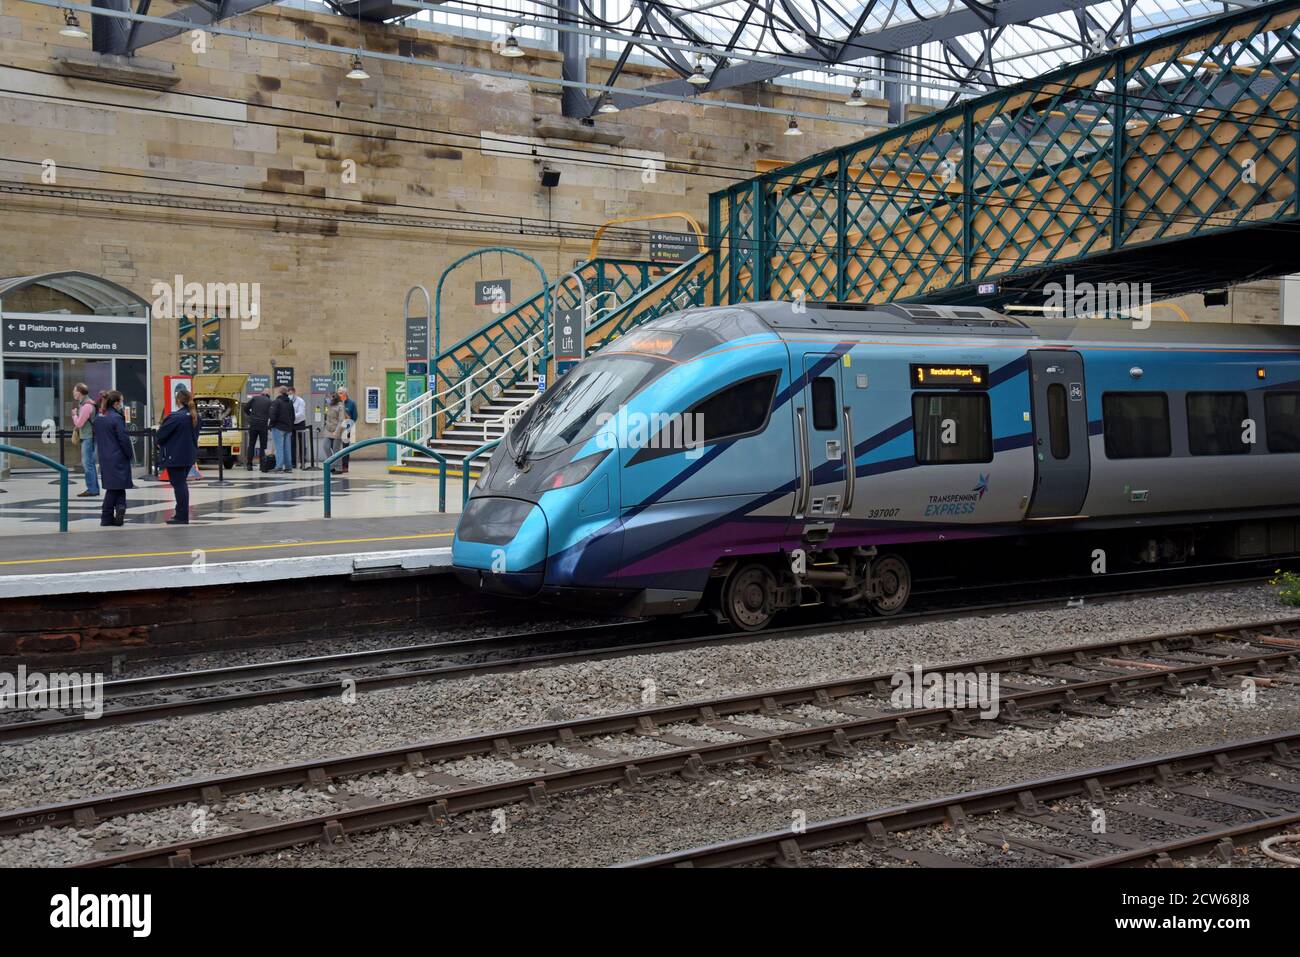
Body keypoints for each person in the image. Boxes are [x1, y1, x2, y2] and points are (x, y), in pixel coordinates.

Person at [156, 387, 202, 525]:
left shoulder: (175, 417)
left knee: (179, 485)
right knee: (181, 483)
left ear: (178, 401)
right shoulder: (195, 417)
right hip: (189, 455)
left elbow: (161, 435)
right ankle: (181, 514)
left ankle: (181, 515)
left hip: (175, 456)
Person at [92, 390, 133, 526]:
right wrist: (129, 454)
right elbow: (124, 439)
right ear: (116, 403)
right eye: (121, 401)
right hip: (118, 456)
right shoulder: (116, 418)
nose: (122, 404)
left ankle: (113, 512)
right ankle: (111, 513)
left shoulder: (99, 417)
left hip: (105, 456)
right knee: (115, 487)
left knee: (115, 486)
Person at [70, 383, 99, 498]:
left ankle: (92, 489)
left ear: (80, 392)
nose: (73, 393)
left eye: (74, 391)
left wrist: (74, 415)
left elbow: (79, 423)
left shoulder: (86, 406)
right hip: (90, 436)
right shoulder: (88, 403)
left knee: (87, 464)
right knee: (90, 463)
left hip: (88, 437)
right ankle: (94, 488)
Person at [268, 386, 296, 473]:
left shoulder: (276, 402)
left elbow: (272, 415)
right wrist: (290, 427)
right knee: (287, 448)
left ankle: (279, 466)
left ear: (279, 392)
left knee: (279, 447)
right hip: (288, 428)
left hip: (278, 427)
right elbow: (293, 416)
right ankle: (288, 467)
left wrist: (271, 425)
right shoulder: (290, 402)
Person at [243, 388, 272, 470]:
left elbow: (245, 408)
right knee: (263, 445)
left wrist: (251, 415)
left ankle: (249, 465)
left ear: (262, 393)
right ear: (268, 394)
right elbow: (271, 414)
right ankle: (262, 465)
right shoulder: (269, 401)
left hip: (253, 424)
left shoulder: (254, 398)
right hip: (263, 424)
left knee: (251, 444)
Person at [337, 387, 358, 474]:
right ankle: (337, 465)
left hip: (347, 428)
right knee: (336, 447)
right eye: (338, 392)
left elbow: (355, 416)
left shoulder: (351, 403)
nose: (339, 394)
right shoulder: (336, 403)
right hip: (337, 428)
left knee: (346, 448)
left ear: (345, 394)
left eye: (341, 393)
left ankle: (345, 466)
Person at [323, 392, 343, 473]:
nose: (328, 399)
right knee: (326, 446)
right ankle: (331, 465)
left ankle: (338, 467)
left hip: (336, 429)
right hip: (328, 429)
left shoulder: (340, 406)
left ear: (334, 398)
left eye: (330, 397)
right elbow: (325, 417)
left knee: (336, 449)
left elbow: (341, 420)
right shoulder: (328, 406)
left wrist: (337, 431)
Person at [289, 386, 307, 469]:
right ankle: (293, 463)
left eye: (291, 393)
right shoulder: (288, 401)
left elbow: (301, 413)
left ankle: (303, 461)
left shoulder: (300, 401)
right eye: (288, 393)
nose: (289, 395)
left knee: (302, 443)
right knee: (292, 443)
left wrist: (291, 416)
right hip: (292, 423)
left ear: (294, 392)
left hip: (300, 423)